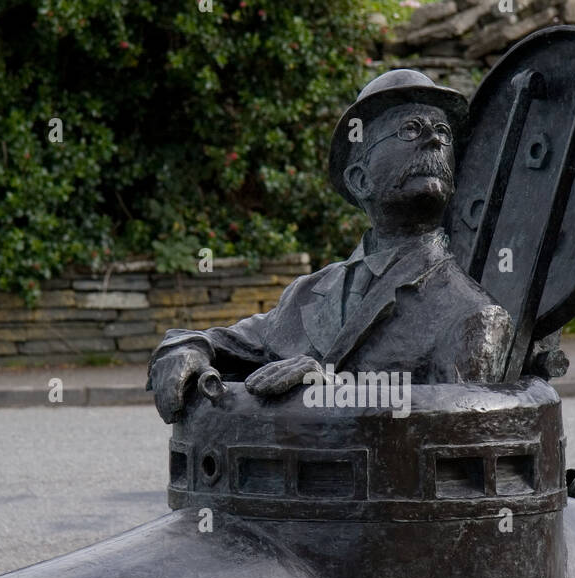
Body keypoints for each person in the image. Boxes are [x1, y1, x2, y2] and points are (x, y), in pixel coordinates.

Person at [147, 69, 514, 424]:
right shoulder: (306, 295)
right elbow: (223, 342)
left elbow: (463, 424)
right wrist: (184, 349)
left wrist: (339, 390)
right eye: (410, 129)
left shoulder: (472, 314)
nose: (434, 140)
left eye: (443, 133)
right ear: (360, 180)